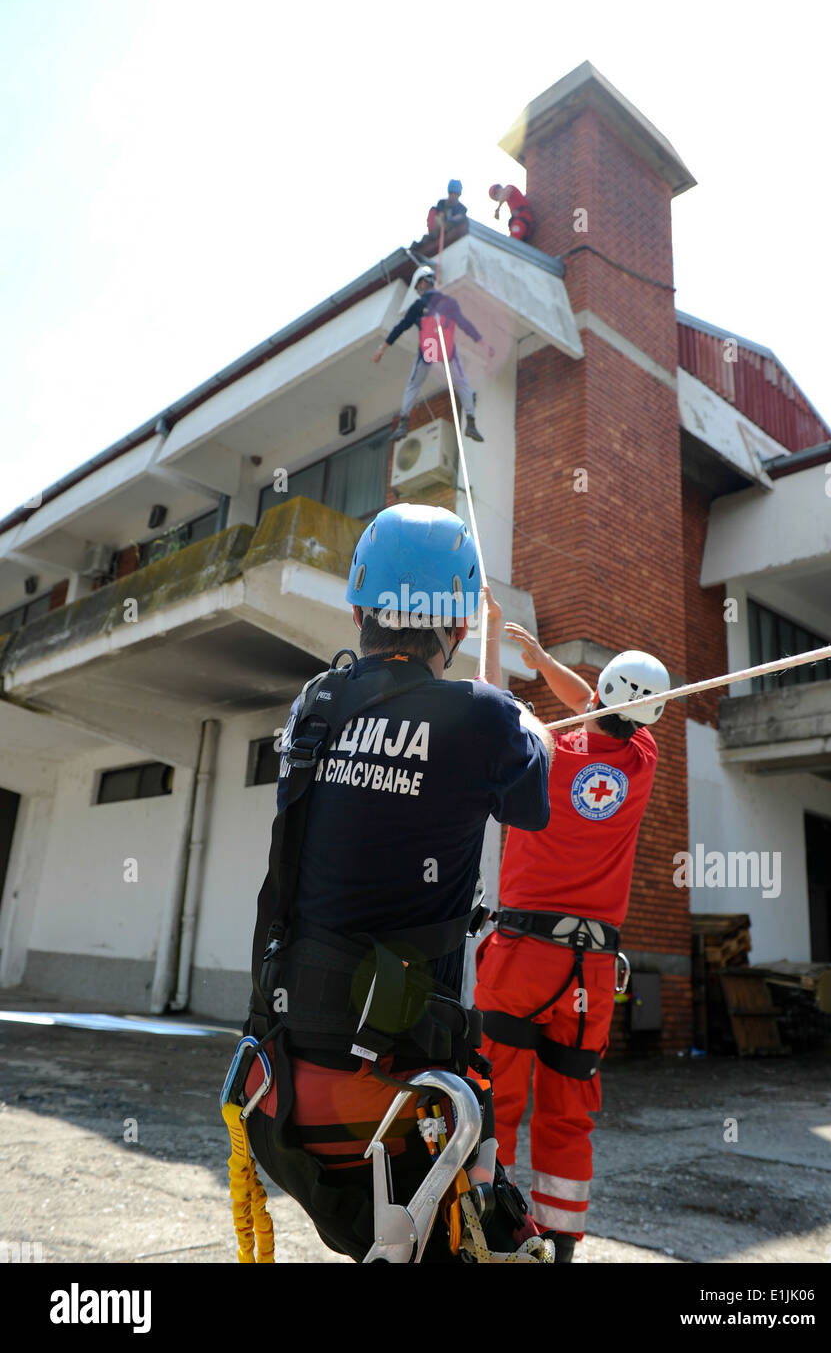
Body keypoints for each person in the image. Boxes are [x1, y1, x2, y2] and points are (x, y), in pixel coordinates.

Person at [241, 504, 556, 1263]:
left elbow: (449, 736)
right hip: (397, 1095)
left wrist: (496, 707)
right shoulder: (487, 719)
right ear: (455, 627)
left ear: (356, 608)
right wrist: (531, 724)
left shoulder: (314, 705)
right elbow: (531, 799)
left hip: (282, 1082)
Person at [473, 618, 669, 1263]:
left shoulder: (546, 752)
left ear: (601, 697)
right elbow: (605, 708)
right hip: (590, 971)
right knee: (569, 1105)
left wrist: (514, 660)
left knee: (495, 1091)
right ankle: (559, 1240)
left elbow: (502, 711)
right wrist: (547, 660)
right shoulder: (642, 762)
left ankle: (486, 1219)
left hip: (525, 956)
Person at [373, 265, 494, 443]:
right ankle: (471, 422)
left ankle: (403, 424)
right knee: (462, 383)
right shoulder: (449, 303)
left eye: (418, 287)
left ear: (422, 283)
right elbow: (465, 325)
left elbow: (400, 327)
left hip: (427, 351)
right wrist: (484, 344)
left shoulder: (417, 306)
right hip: (447, 351)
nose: (418, 291)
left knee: (413, 385)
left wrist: (382, 348)